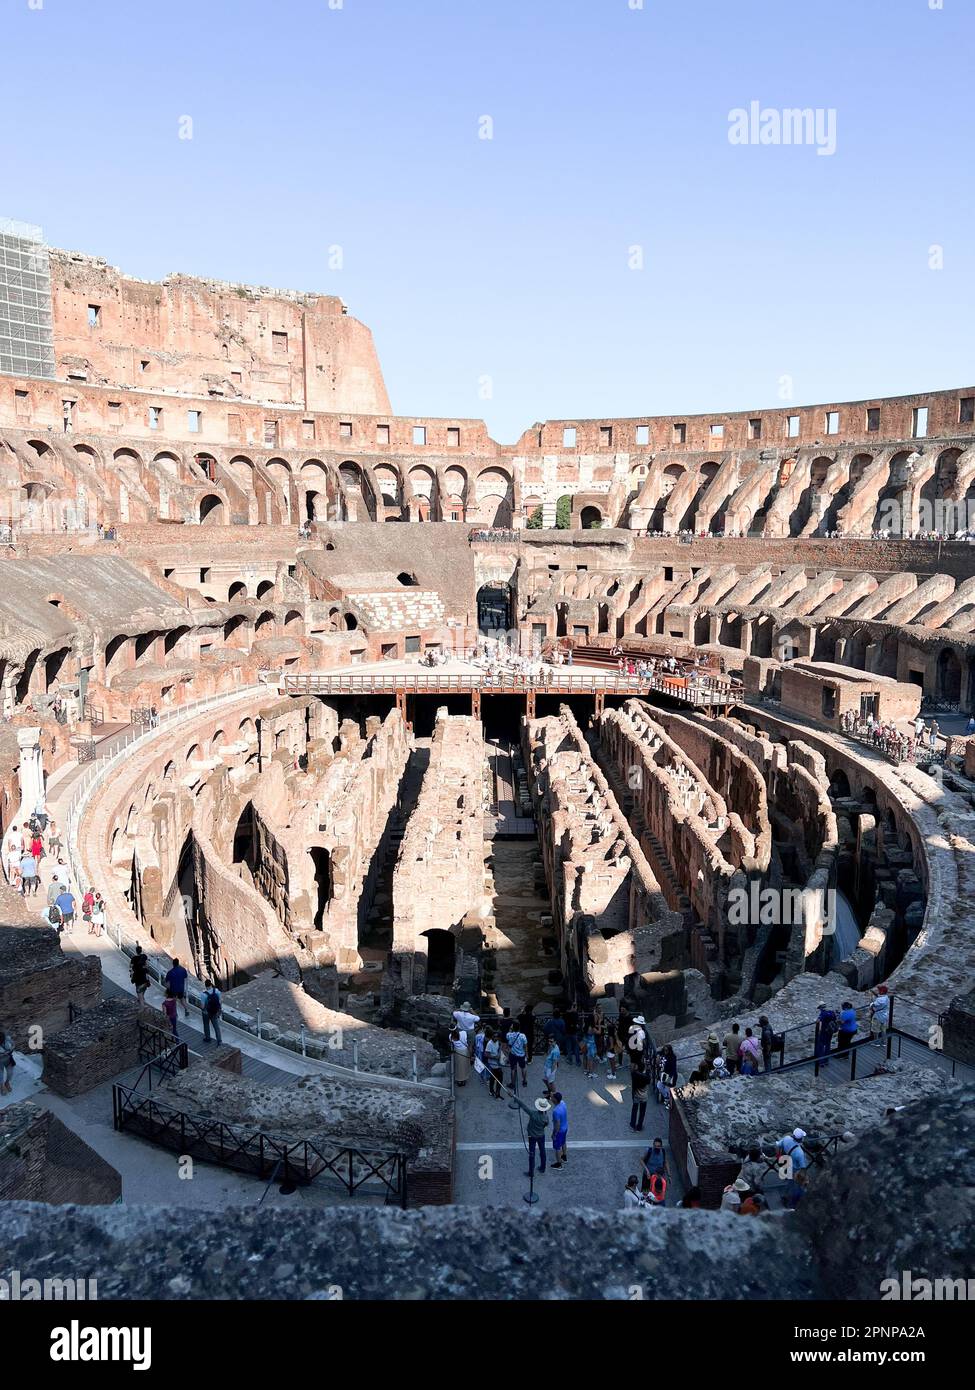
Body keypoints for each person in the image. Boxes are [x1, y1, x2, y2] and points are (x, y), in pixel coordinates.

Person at [519, 1096, 551, 1178]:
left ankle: (531, 1172)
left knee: (532, 1153)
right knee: (542, 1151)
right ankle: (543, 1167)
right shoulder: (546, 1117)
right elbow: (546, 1124)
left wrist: (516, 1098)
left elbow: (524, 1106)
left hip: (532, 1136)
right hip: (541, 1135)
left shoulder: (533, 1114)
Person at [505, 1022, 528, 1091]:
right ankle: (524, 1081)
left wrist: (510, 1029)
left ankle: (512, 1083)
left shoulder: (509, 1035)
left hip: (513, 1054)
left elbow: (507, 1036)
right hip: (521, 1054)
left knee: (512, 1069)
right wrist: (526, 1055)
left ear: (513, 1028)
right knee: (523, 1068)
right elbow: (525, 1046)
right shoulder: (523, 1036)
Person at [202, 980, 223, 1045]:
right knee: (216, 1026)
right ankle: (219, 1040)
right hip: (214, 1011)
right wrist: (219, 1009)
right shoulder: (216, 991)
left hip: (206, 1012)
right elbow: (220, 1001)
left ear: (205, 986)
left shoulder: (203, 994)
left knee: (206, 1025)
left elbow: (202, 1006)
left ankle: (208, 1038)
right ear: (211, 985)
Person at [550, 1091, 568, 1168]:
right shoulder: (563, 1103)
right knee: (563, 1142)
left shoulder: (556, 1111)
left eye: (553, 1097)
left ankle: (559, 1164)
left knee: (557, 1147)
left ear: (555, 1100)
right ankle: (564, 1156)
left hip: (559, 1131)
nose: (551, 1098)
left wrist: (554, 1134)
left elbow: (557, 1125)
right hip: (565, 1127)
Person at [484, 1029, 503, 1099]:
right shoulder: (489, 1044)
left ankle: (497, 1092)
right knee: (493, 1078)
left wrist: (499, 1052)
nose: (495, 1038)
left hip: (498, 1064)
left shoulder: (498, 1042)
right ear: (492, 1037)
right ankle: (492, 1091)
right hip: (492, 1064)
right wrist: (495, 1057)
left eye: (496, 1037)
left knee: (499, 1078)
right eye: (494, 1037)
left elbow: (499, 1047)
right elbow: (486, 1054)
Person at [0, 1026, 15, 1095]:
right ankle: (2, 1086)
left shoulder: (6, 1038)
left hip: (8, 1059)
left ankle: (7, 1082)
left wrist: (11, 1049)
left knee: (10, 1073)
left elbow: (13, 1044)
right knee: (1, 1075)